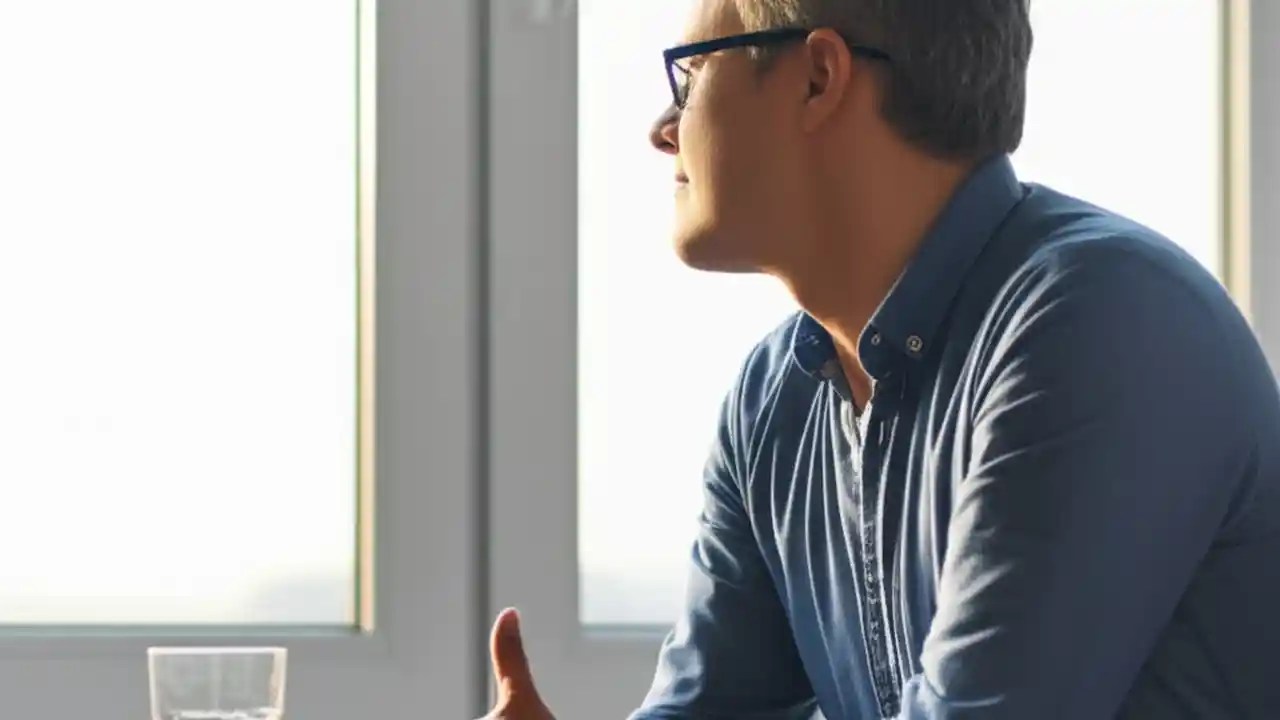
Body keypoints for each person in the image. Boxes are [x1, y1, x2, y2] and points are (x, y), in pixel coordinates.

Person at [480, 0, 1280, 717]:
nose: (663, 127)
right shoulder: (774, 399)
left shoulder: (1103, 317)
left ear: (818, 78)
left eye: (688, 78)